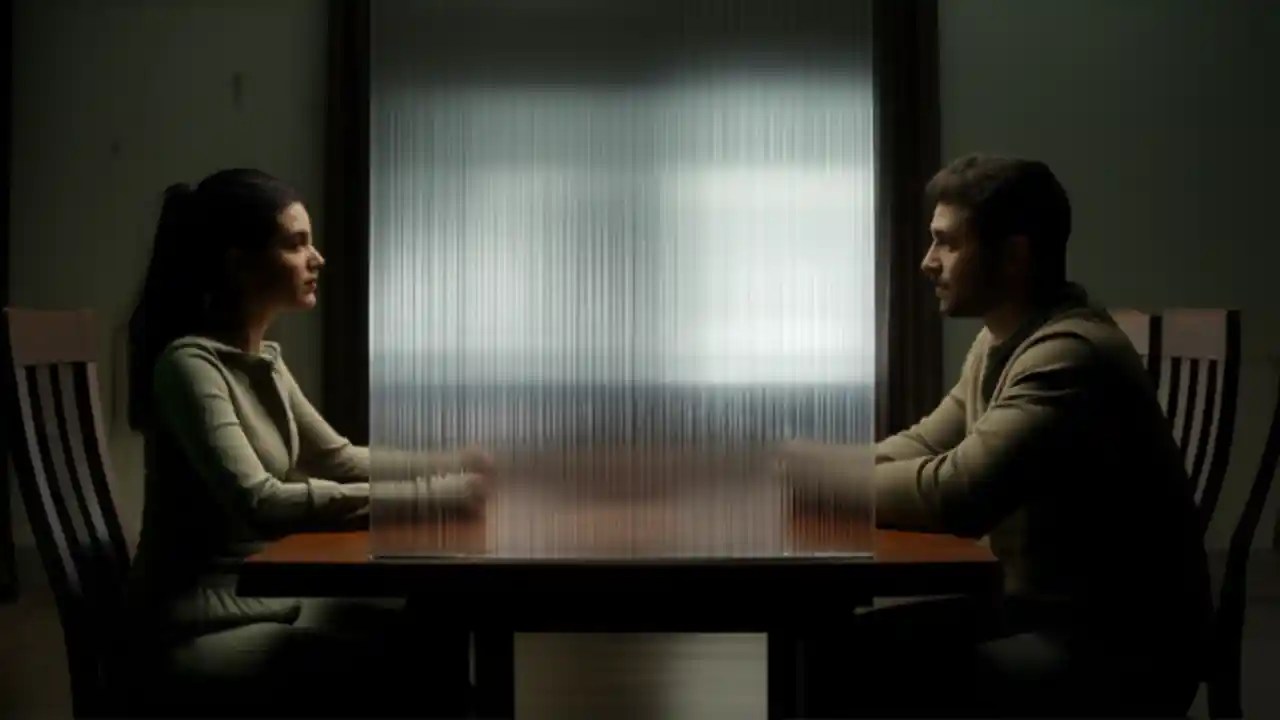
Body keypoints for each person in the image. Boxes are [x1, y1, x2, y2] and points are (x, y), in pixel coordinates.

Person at [787, 154, 1213, 717]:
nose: (927, 262)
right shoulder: (1003, 342)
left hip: (1115, 649)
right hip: (1042, 612)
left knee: (842, 663)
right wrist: (809, 466)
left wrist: (818, 480)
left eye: (947, 243)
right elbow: (925, 444)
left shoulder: (1067, 355)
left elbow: (957, 493)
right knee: (825, 649)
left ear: (1014, 254)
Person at [123, 168, 489, 717]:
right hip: (200, 629)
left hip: (261, 603)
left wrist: (454, 463)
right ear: (239, 261)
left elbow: (338, 458)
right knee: (418, 661)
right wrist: (429, 496)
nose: (316, 258)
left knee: (434, 621)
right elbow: (262, 502)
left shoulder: (261, 360)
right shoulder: (188, 366)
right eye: (296, 244)